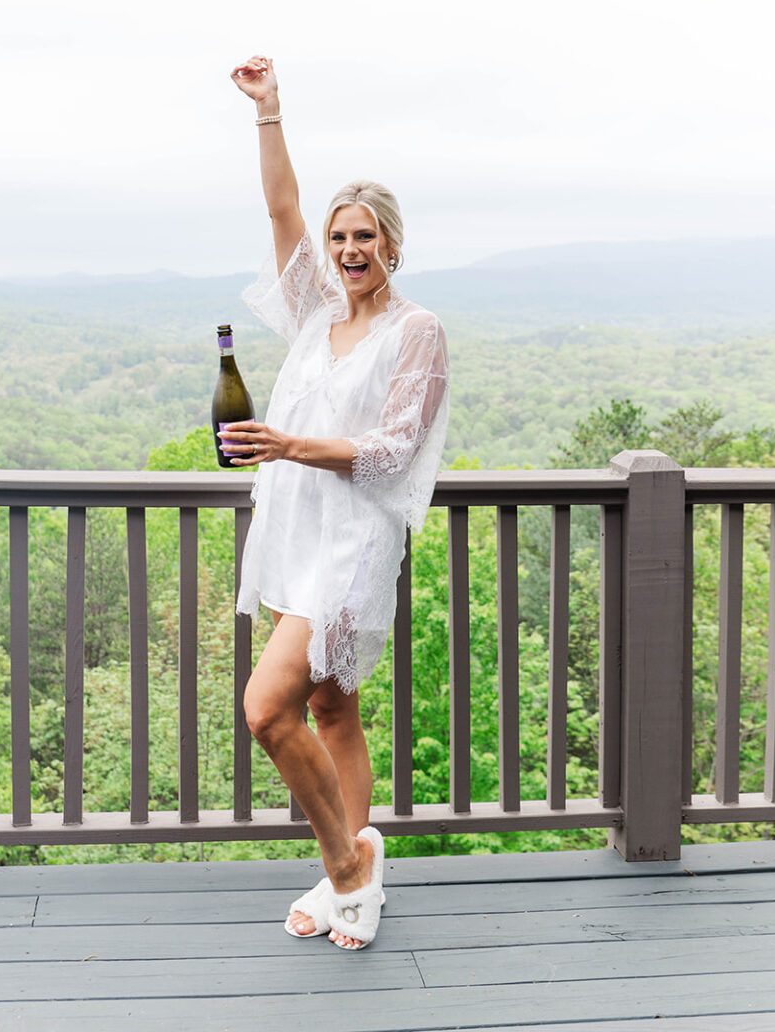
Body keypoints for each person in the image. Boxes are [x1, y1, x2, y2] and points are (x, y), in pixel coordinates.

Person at [222, 54, 450, 950]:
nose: (350, 251)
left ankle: (351, 866)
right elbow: (282, 209)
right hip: (295, 532)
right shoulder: (318, 313)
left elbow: (393, 448)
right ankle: (351, 875)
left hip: (353, 544)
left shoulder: (416, 331)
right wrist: (268, 112)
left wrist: (284, 445)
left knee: (267, 707)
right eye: (340, 237)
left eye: (366, 238)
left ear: (392, 244)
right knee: (330, 710)